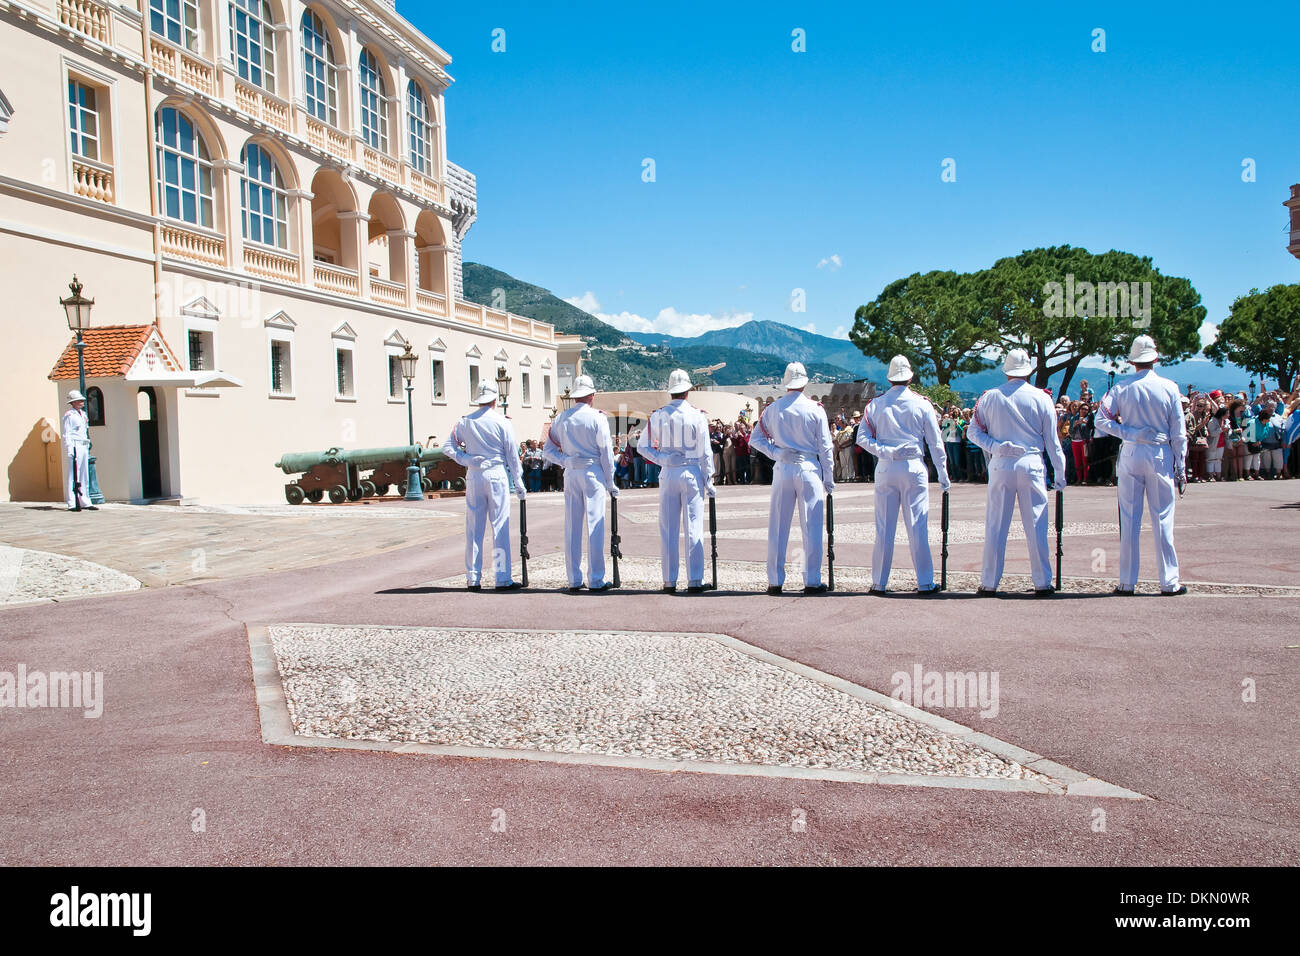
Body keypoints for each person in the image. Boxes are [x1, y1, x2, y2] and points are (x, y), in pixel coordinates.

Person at [967, 348, 1068, 596]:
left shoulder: (989, 397)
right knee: (1036, 525)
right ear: (1029, 370)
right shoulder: (1042, 398)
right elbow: (1053, 442)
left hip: (1001, 461)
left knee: (996, 525)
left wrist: (995, 446)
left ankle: (989, 582)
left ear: (1006, 370)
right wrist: (1060, 472)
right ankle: (1042, 581)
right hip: (1031, 461)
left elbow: (973, 432)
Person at [1094, 334, 1188, 596]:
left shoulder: (1121, 387)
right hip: (1159, 451)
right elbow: (1179, 433)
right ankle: (1169, 581)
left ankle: (1127, 581)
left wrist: (1129, 432)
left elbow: (1100, 421)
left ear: (1132, 361)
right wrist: (1181, 468)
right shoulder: (1169, 387)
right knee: (1163, 518)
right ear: (1155, 359)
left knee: (1130, 518)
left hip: (1132, 451)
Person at [856, 356, 949, 594]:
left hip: (886, 466)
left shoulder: (875, 404)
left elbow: (863, 438)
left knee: (884, 528)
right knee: (918, 526)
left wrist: (884, 450)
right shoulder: (922, 404)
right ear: (910, 377)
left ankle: (879, 582)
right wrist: (942, 474)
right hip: (912, 466)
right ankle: (925, 582)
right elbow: (936, 443)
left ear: (889, 378)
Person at [748, 362, 836, 595]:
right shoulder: (815, 409)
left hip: (783, 467)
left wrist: (777, 452)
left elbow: (755, 440)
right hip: (808, 467)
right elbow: (826, 447)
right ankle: (812, 580)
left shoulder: (773, 409)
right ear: (805, 382)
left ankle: (775, 580)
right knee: (812, 526)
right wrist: (829, 476)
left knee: (778, 526)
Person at [440, 382, 525, 590]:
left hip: (474, 474)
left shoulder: (465, 422)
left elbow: (447, 447)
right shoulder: (503, 422)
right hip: (496, 473)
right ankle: (502, 577)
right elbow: (512, 456)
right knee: (500, 527)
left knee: (473, 528)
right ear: (495, 399)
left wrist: (467, 459)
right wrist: (519, 481)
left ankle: (473, 577)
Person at [638, 369, 715, 593]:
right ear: (688, 391)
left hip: (669, 472)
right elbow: (705, 452)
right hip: (691, 472)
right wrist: (709, 479)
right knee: (694, 527)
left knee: (668, 529)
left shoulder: (658, 415)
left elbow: (643, 447)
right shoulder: (697, 415)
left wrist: (662, 458)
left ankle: (669, 580)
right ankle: (694, 580)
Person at [541, 374, 618, 592]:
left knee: (572, 527)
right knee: (595, 525)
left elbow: (548, 450)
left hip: (571, 472)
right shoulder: (597, 418)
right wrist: (611, 482)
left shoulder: (561, 418)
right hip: (592, 472)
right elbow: (605, 453)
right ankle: (595, 579)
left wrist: (566, 460)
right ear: (592, 395)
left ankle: (574, 578)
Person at [62, 390, 96, 512]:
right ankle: (72, 502)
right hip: (75, 445)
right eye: (80, 400)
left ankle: (85, 501)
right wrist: (69, 449)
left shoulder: (83, 414)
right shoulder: (69, 415)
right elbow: (67, 434)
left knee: (84, 474)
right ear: (74, 402)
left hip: (83, 445)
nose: (82, 402)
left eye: (82, 400)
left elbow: (84, 431)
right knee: (73, 475)